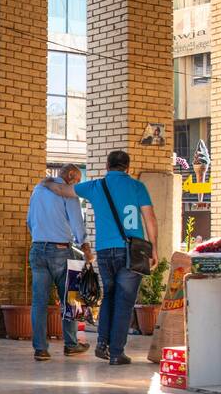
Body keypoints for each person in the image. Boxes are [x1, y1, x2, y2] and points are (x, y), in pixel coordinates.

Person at [44, 150, 157, 366]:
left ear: (107, 166)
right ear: (128, 168)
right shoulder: (137, 187)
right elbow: (150, 219)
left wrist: (46, 182)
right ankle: (116, 352)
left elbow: (62, 190)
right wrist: (154, 248)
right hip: (132, 251)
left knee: (110, 296)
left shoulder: (95, 186)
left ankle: (102, 343)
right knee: (124, 303)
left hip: (105, 251)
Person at [26, 164, 93, 360]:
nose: (78, 184)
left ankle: (41, 349)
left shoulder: (38, 190)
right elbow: (77, 223)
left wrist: (42, 238)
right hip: (62, 251)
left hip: (37, 249)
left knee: (39, 302)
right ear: (71, 175)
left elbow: (29, 221)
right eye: (78, 180)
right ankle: (71, 344)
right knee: (71, 299)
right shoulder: (67, 192)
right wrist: (86, 248)